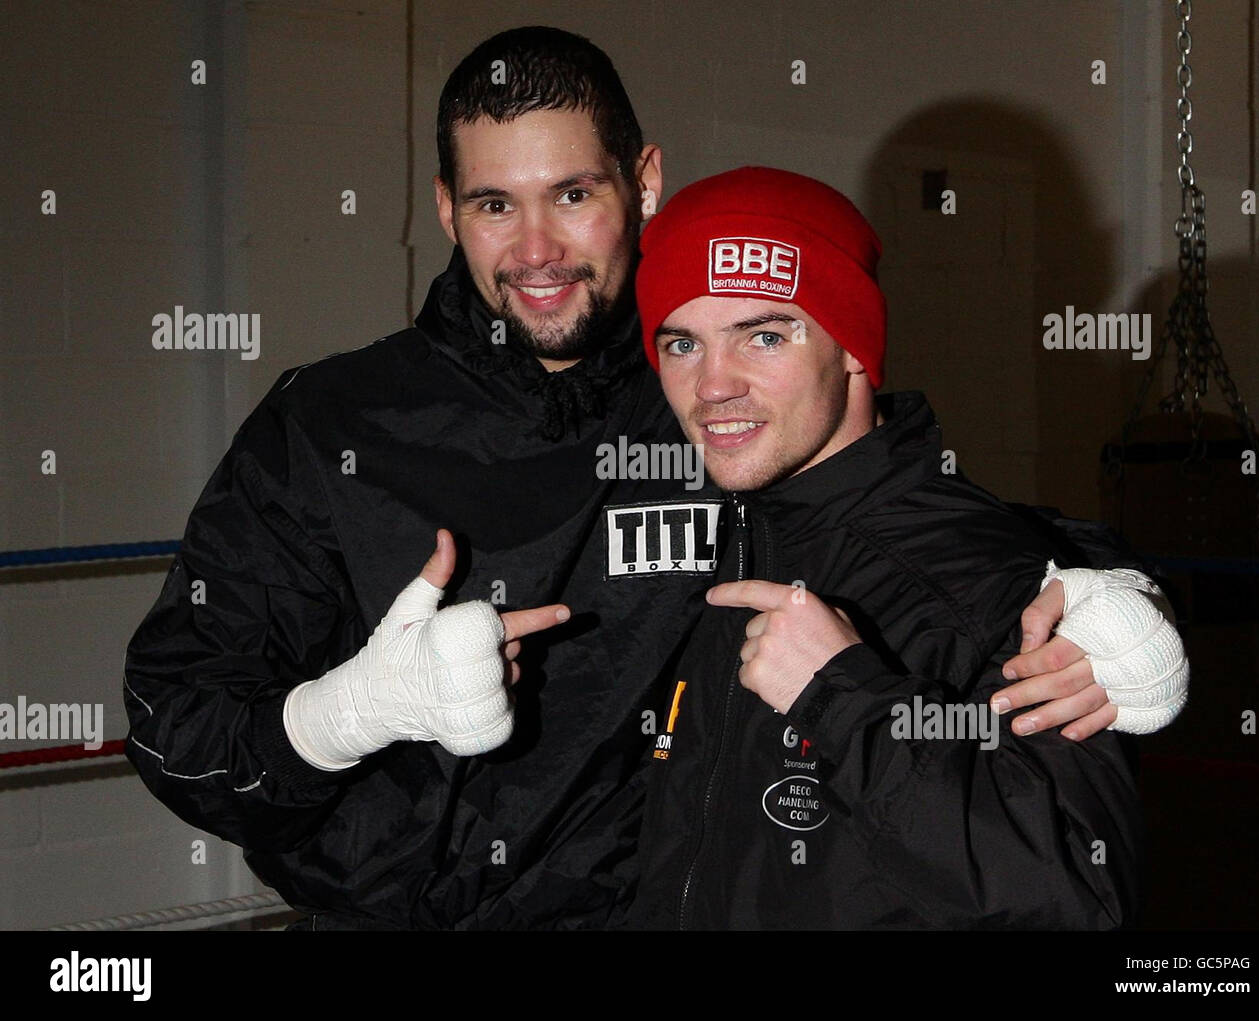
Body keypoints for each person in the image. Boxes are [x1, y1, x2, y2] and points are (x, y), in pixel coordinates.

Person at [123, 29, 1183, 930]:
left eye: (573, 194)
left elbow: (904, 515)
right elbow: (175, 722)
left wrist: (1120, 597)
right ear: (447, 212)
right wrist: (350, 709)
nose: (536, 250)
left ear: (642, 184)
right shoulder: (330, 424)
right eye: (495, 206)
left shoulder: (706, 396)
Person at [629, 166, 1185, 929]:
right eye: (682, 343)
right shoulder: (725, 539)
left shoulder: (997, 587)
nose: (713, 384)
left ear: (854, 349)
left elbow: (1079, 899)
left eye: (763, 335)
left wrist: (844, 699)